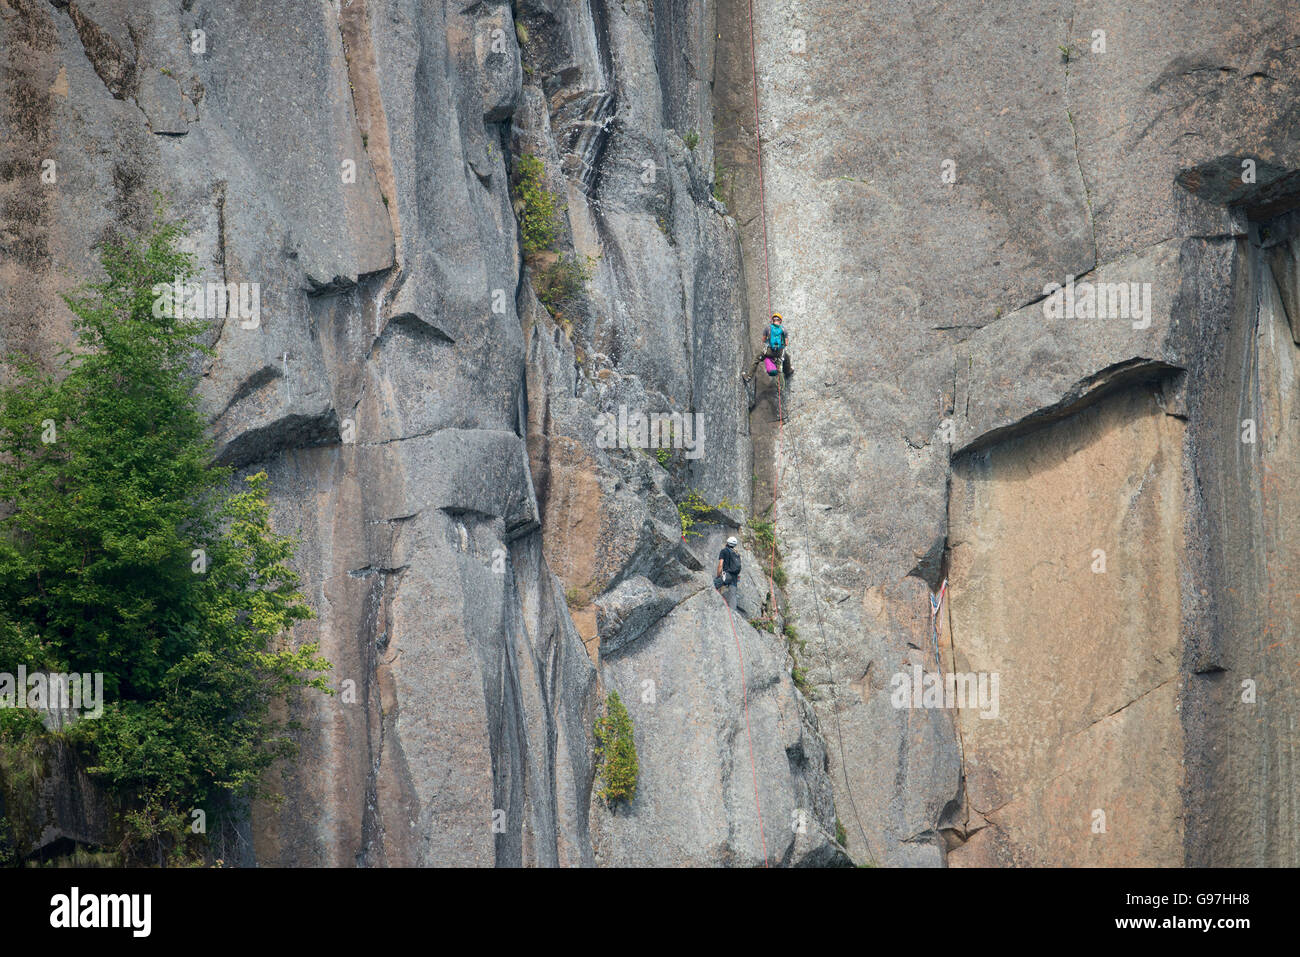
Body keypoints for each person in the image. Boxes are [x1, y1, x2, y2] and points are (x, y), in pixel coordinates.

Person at [743, 313, 793, 381]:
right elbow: (786, 343)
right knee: (786, 358)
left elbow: (763, 340)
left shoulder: (768, 328)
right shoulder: (784, 330)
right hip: (779, 353)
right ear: (780, 321)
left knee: (756, 359)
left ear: (772, 320)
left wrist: (768, 340)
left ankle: (748, 377)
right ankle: (788, 372)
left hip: (769, 352)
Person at [715, 536, 742, 608]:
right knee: (733, 596)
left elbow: (720, 565)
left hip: (726, 575)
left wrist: (718, 575)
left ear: (727, 542)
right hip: (735, 577)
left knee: (713, 585)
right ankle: (733, 615)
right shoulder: (737, 553)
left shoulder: (724, 551)